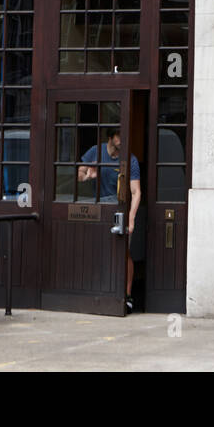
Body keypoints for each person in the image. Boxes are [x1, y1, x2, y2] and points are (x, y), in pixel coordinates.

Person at [78, 128, 143, 311]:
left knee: (124, 253)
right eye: (119, 137)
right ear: (110, 137)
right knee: (98, 251)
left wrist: (131, 218)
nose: (122, 140)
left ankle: (127, 295)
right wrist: (87, 177)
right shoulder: (95, 152)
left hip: (119, 209)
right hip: (97, 209)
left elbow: (136, 192)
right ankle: (98, 294)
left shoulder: (130, 159)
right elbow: (78, 175)